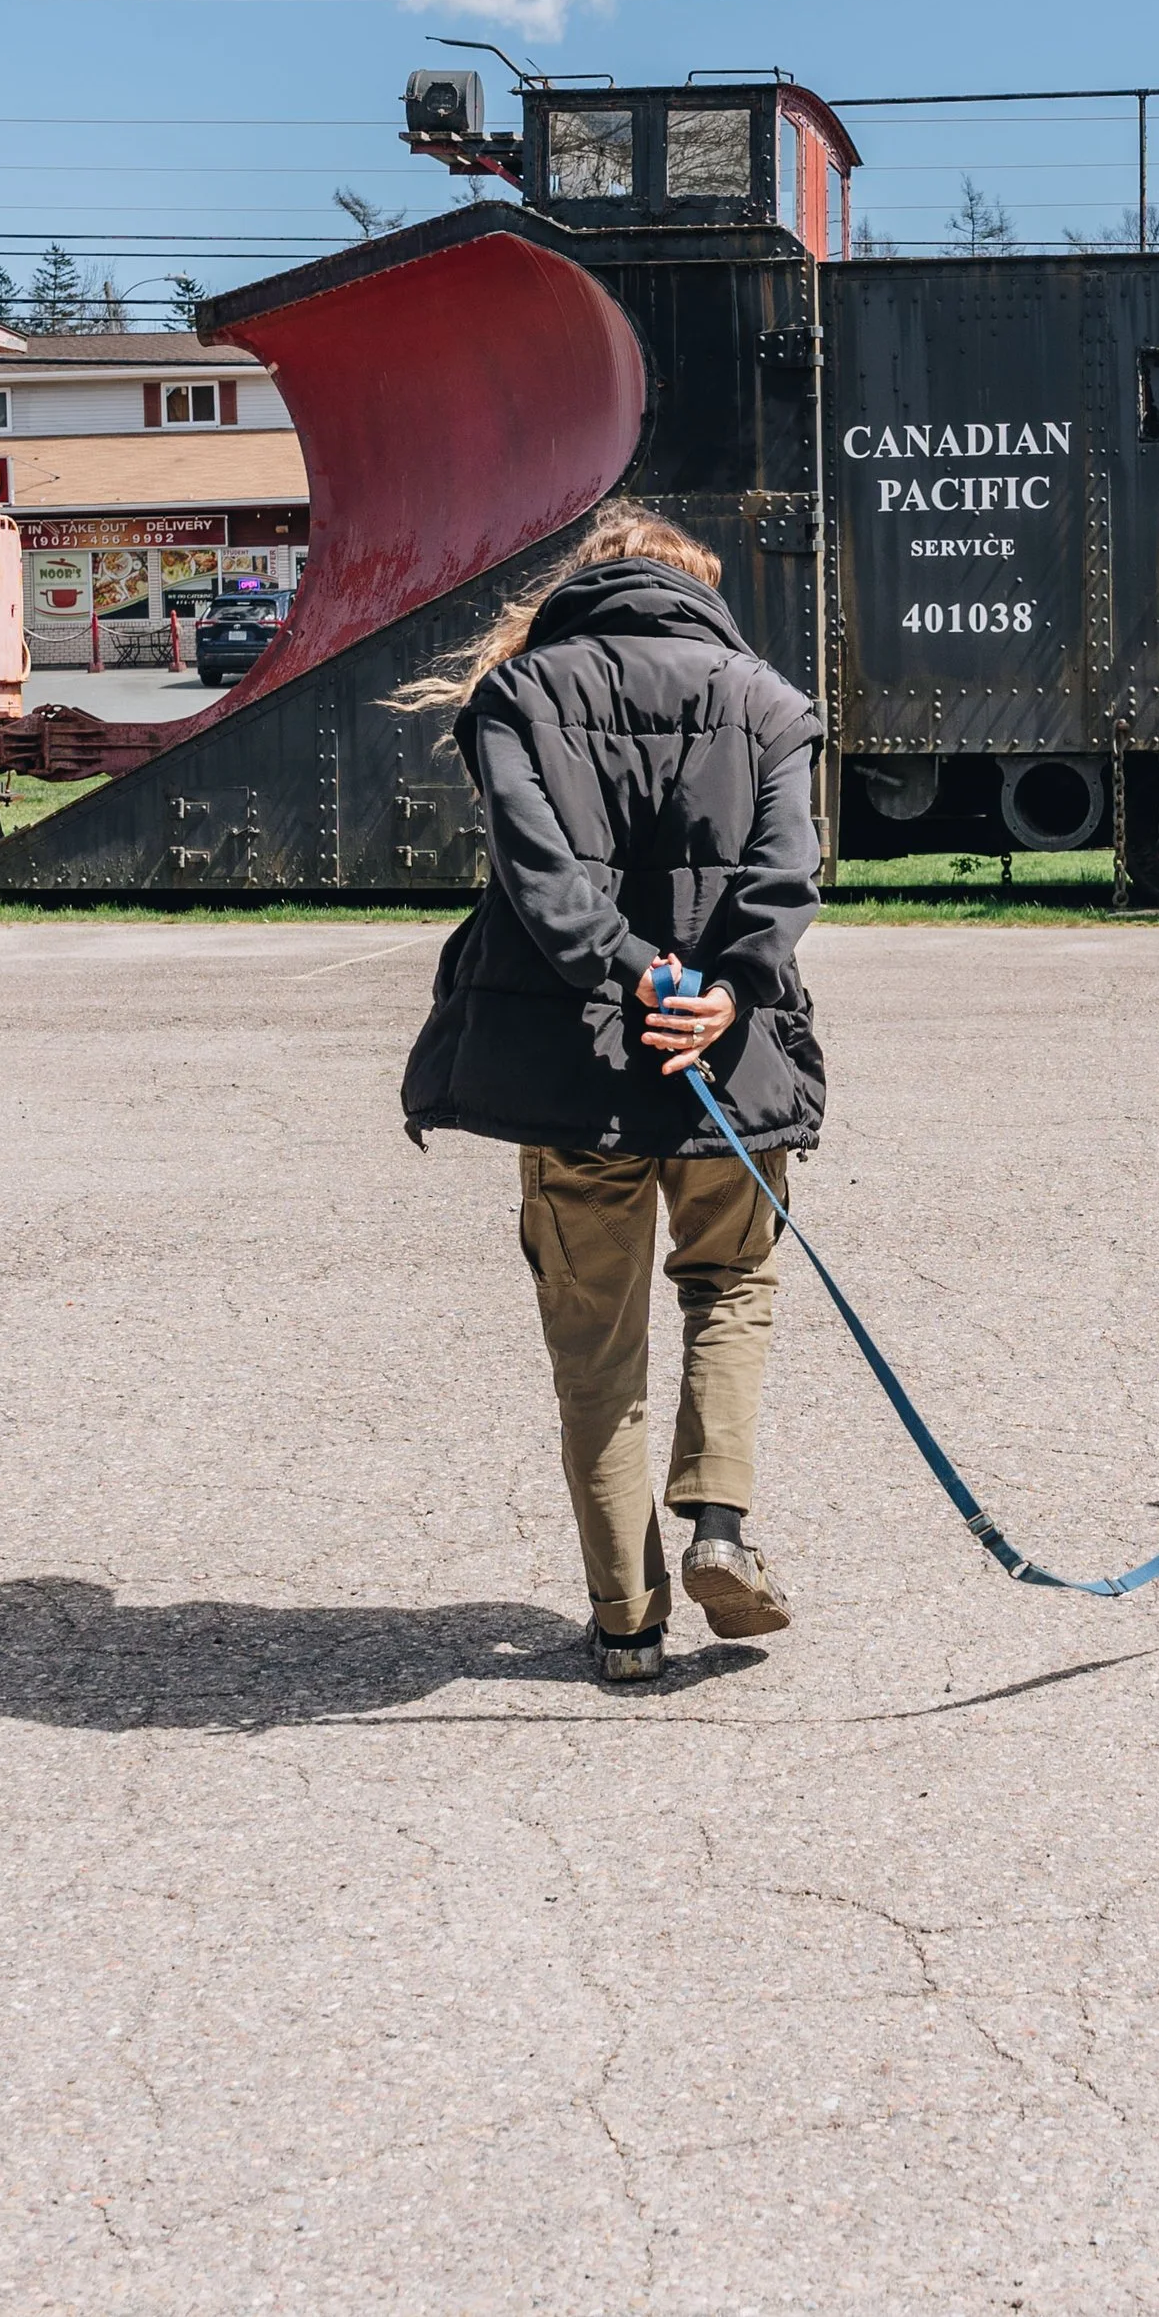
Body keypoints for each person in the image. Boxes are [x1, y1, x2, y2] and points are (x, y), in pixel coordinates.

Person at [401, 501, 825, 1687]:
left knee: (594, 1350)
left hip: (568, 1069)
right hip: (720, 1073)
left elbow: (541, 884)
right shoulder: (769, 701)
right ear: (696, 590)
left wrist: (640, 974)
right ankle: (720, 1531)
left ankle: (627, 1625)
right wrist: (721, 993)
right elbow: (785, 875)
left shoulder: (516, 697)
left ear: (583, 587)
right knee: (732, 1282)